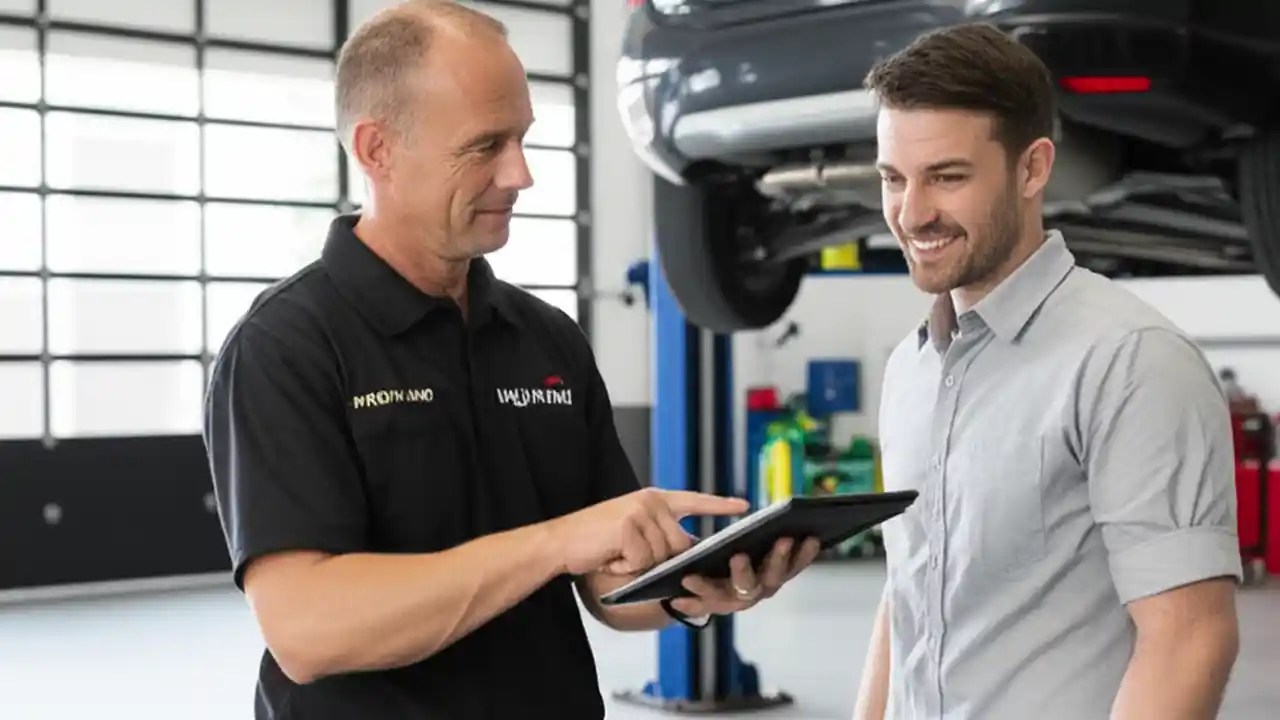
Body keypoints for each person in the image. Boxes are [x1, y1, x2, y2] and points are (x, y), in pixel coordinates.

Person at [201, 2, 821, 718]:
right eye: (484, 145)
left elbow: (610, 594)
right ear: (377, 151)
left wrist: (704, 589)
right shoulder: (286, 348)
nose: (521, 174)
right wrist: (554, 543)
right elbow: (309, 633)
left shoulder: (545, 338)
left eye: (522, 139)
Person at [851, 23, 1242, 720]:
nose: (911, 213)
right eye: (893, 178)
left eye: (947, 176)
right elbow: (907, 596)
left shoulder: (1130, 360)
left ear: (1032, 169)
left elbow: (1189, 637)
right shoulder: (909, 369)